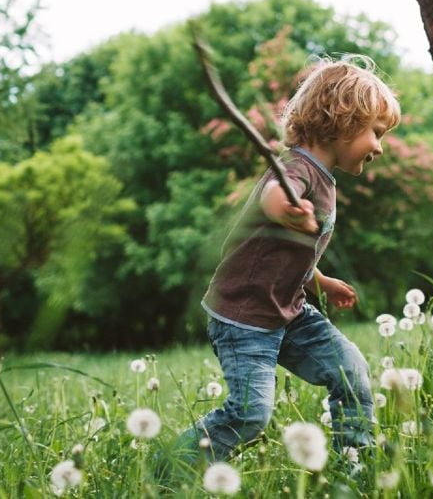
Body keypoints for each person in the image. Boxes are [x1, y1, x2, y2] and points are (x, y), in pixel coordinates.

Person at [170, 54, 401, 471]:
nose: (379, 146)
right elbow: (275, 193)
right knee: (250, 414)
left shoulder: (324, 180)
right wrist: (284, 210)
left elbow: (282, 256)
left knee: (351, 371)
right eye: (376, 132)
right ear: (344, 121)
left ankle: (355, 458)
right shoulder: (297, 168)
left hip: (289, 311)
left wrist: (320, 280)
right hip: (244, 318)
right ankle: (174, 464)